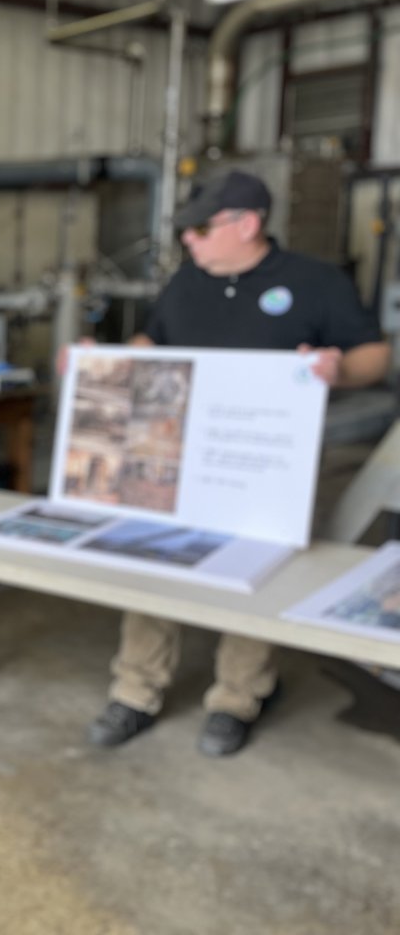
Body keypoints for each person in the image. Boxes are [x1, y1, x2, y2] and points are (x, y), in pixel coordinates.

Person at [87, 169, 390, 757]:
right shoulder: (185, 285)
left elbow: (374, 355)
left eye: (199, 229)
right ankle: (136, 690)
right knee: (154, 564)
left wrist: (339, 369)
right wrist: (106, 366)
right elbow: (154, 343)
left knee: (256, 572)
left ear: (247, 224)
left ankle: (237, 697)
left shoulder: (316, 282)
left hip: (266, 463)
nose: (189, 242)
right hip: (179, 455)